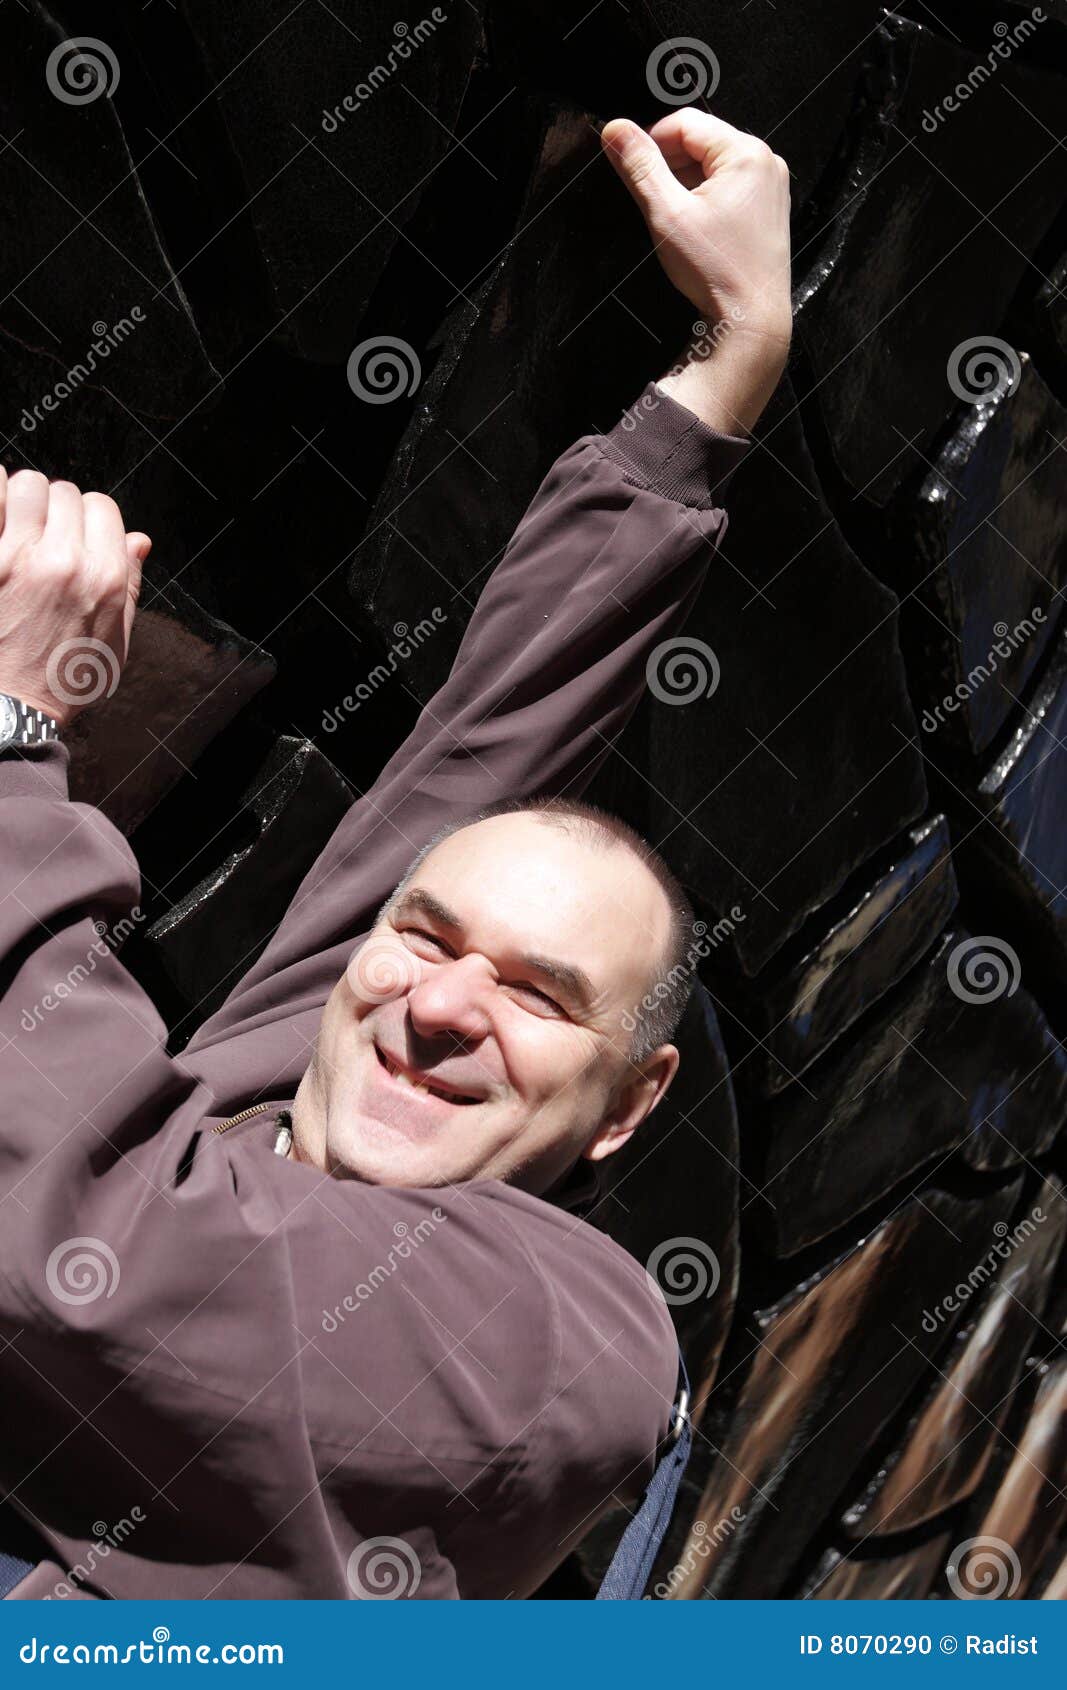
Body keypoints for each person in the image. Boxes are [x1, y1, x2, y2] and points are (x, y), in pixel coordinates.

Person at [0, 110, 791, 1599]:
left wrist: (14, 732)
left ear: (632, 1104)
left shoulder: (571, 1348)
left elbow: (87, 1242)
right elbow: (490, 745)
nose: (440, 1001)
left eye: (543, 998)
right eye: (422, 939)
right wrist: (726, 370)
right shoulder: (279, 1089)